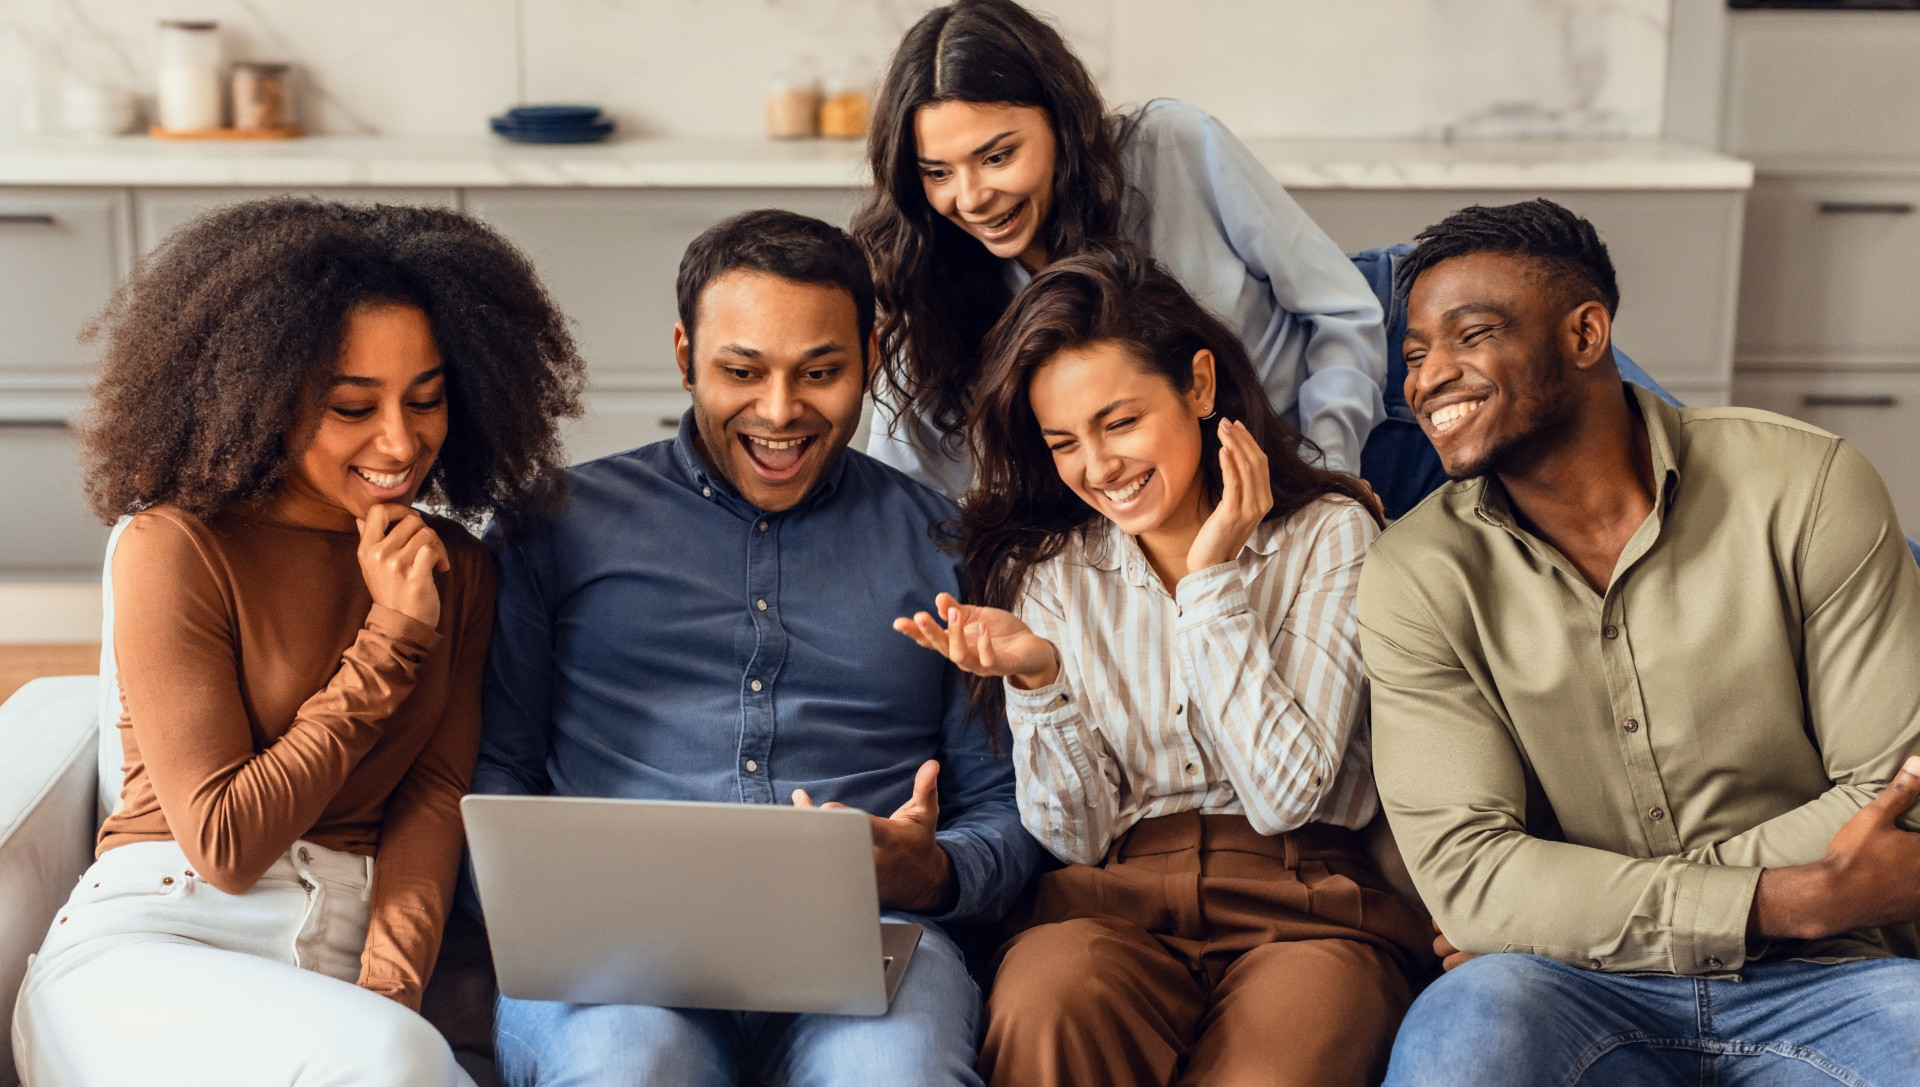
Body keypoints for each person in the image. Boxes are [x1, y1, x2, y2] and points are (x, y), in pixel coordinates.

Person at [10, 198, 586, 1086]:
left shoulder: (456, 566)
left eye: (426, 398)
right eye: (354, 405)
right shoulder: (174, 544)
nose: (401, 440)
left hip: (342, 970)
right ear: (263, 395)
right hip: (164, 939)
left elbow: (432, 800)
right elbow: (226, 841)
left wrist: (389, 988)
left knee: (401, 1055)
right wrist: (391, 639)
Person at [1359, 198, 1920, 1086]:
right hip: (1561, 984)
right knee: (1464, 1043)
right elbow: (1471, 876)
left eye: (1471, 336)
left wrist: (1574, 904)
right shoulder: (1415, 574)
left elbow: (1892, 793)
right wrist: (1787, 898)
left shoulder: (1805, 486)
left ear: (1586, 333)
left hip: (1832, 974)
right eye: (1417, 353)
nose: (1429, 379)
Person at [475, 208, 1041, 1087]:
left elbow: (1007, 813)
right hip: (612, 955)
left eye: (820, 371)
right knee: (631, 1068)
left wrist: (927, 869)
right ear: (682, 353)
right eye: (742, 370)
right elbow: (494, 771)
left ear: (872, 354)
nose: (780, 412)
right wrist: (539, 909)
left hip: (873, 938)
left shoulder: (950, 544)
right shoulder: (555, 525)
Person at [896, 248, 1428, 1087]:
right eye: (1064, 441)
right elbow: (1075, 837)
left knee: (1294, 1039)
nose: (1098, 468)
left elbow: (1288, 793)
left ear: (1201, 385)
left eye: (1120, 422)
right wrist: (1040, 683)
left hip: (1309, 905)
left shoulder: (1331, 535)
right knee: (1045, 1000)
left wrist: (1212, 584)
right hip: (1113, 901)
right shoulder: (1054, 572)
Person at [853, 0, 1386, 503]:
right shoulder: (930, 279)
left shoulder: (1176, 149)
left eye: (997, 156)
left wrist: (1329, 472)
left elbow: (1341, 312)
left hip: (1299, 482)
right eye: (938, 173)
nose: (970, 199)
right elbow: (901, 488)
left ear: (1059, 121)